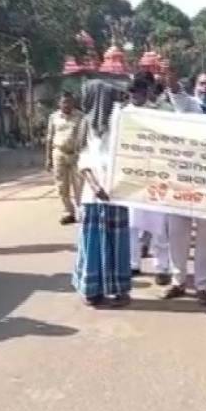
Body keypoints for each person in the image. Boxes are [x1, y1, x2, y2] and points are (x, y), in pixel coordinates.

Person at [161, 72, 206, 306]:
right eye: (202, 83)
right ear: (195, 86)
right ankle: (178, 281)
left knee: (205, 237)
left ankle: (201, 285)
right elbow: (175, 91)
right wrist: (167, 75)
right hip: (181, 179)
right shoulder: (188, 104)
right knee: (178, 235)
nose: (205, 87)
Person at [74, 80, 132, 307]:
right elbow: (83, 160)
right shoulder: (85, 125)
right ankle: (92, 290)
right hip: (93, 194)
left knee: (118, 243)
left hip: (117, 191)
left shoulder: (121, 121)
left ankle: (119, 290)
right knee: (93, 242)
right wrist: (95, 185)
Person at [125, 73, 173, 284]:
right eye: (133, 92)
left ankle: (162, 267)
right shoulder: (122, 115)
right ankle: (133, 264)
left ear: (147, 92)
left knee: (160, 225)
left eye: (140, 91)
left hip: (157, 175)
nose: (136, 95)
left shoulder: (160, 113)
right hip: (132, 176)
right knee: (132, 225)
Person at [45, 91, 84, 225]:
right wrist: (48, 158)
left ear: (74, 102)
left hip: (76, 155)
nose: (67, 105)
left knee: (78, 185)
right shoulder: (53, 117)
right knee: (62, 185)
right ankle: (68, 212)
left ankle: (82, 212)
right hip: (59, 153)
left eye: (69, 101)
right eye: (64, 102)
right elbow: (49, 137)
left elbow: (84, 137)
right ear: (59, 103)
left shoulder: (80, 117)